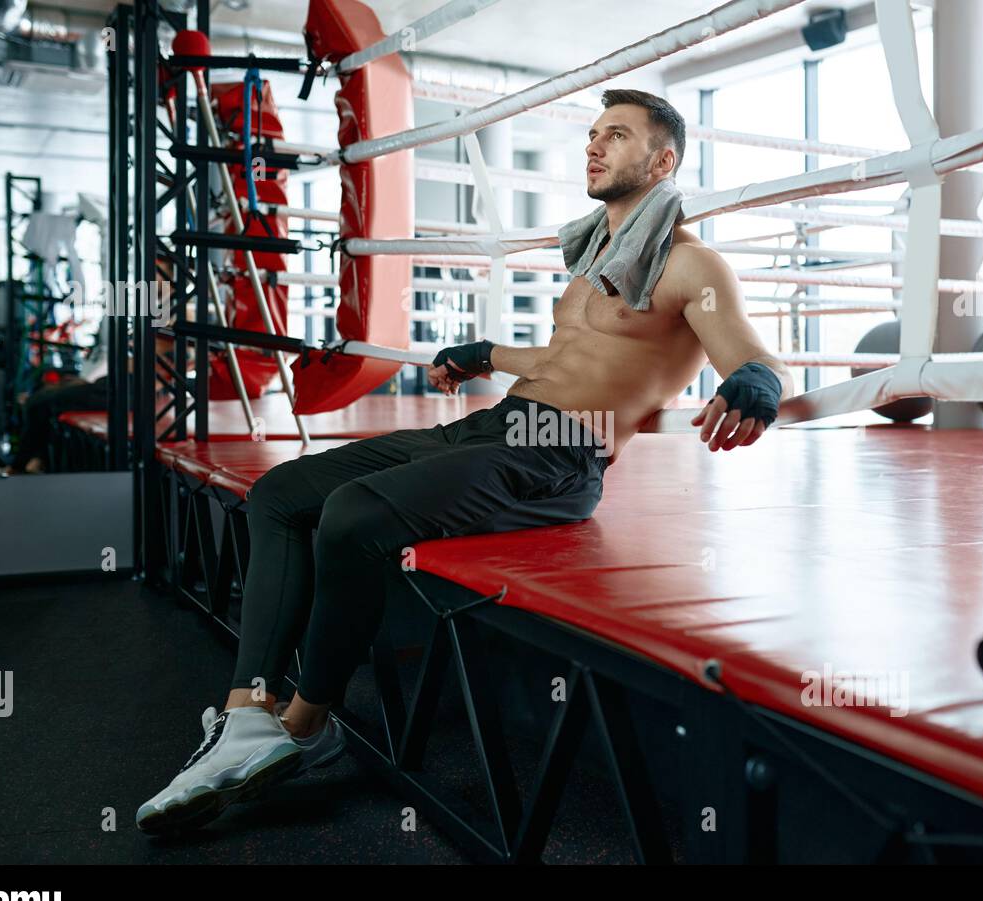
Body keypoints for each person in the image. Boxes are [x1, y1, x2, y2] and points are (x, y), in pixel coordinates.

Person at [136, 88, 795, 835]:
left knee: (352, 517)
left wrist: (755, 381)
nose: (594, 146)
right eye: (592, 133)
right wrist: (485, 353)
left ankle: (304, 724)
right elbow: (565, 356)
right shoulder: (598, 257)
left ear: (664, 160)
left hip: (560, 451)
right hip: (498, 425)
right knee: (282, 493)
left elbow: (748, 349)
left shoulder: (689, 263)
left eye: (617, 135)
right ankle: (247, 712)